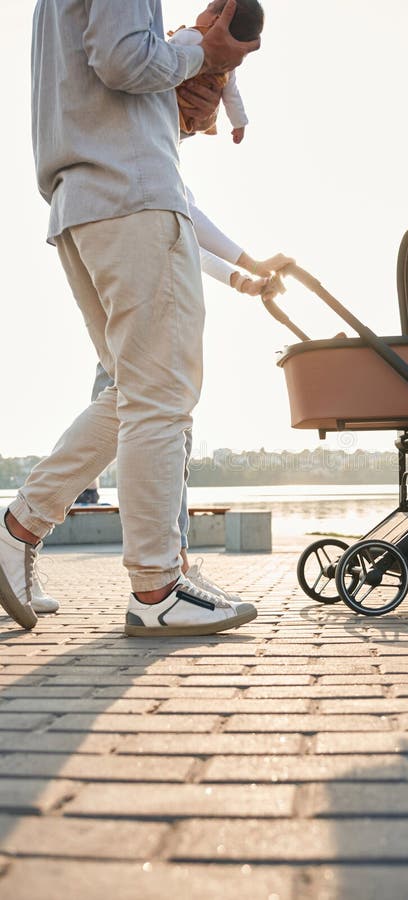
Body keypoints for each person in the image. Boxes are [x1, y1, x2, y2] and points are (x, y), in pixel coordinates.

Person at [0, 0, 265, 636]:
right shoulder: (167, 60)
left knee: (132, 396)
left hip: (82, 203)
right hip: (131, 201)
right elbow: (125, 60)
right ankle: (156, 588)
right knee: (161, 399)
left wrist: (183, 72)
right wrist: (205, 53)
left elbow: (115, 70)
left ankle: (17, 532)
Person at [33, 193, 292, 616]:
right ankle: (24, 531)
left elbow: (182, 221)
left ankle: (170, 569)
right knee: (158, 417)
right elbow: (179, 217)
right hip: (133, 263)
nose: (203, 123)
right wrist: (246, 269)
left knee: (163, 422)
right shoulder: (139, 145)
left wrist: (243, 274)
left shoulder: (129, 156)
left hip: (93, 233)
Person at [172, 0, 264, 141]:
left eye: (208, 7)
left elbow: (162, 57)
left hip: (167, 99)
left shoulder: (190, 35)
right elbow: (232, 95)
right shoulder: (227, 66)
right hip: (186, 121)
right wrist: (239, 123)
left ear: (217, 20)